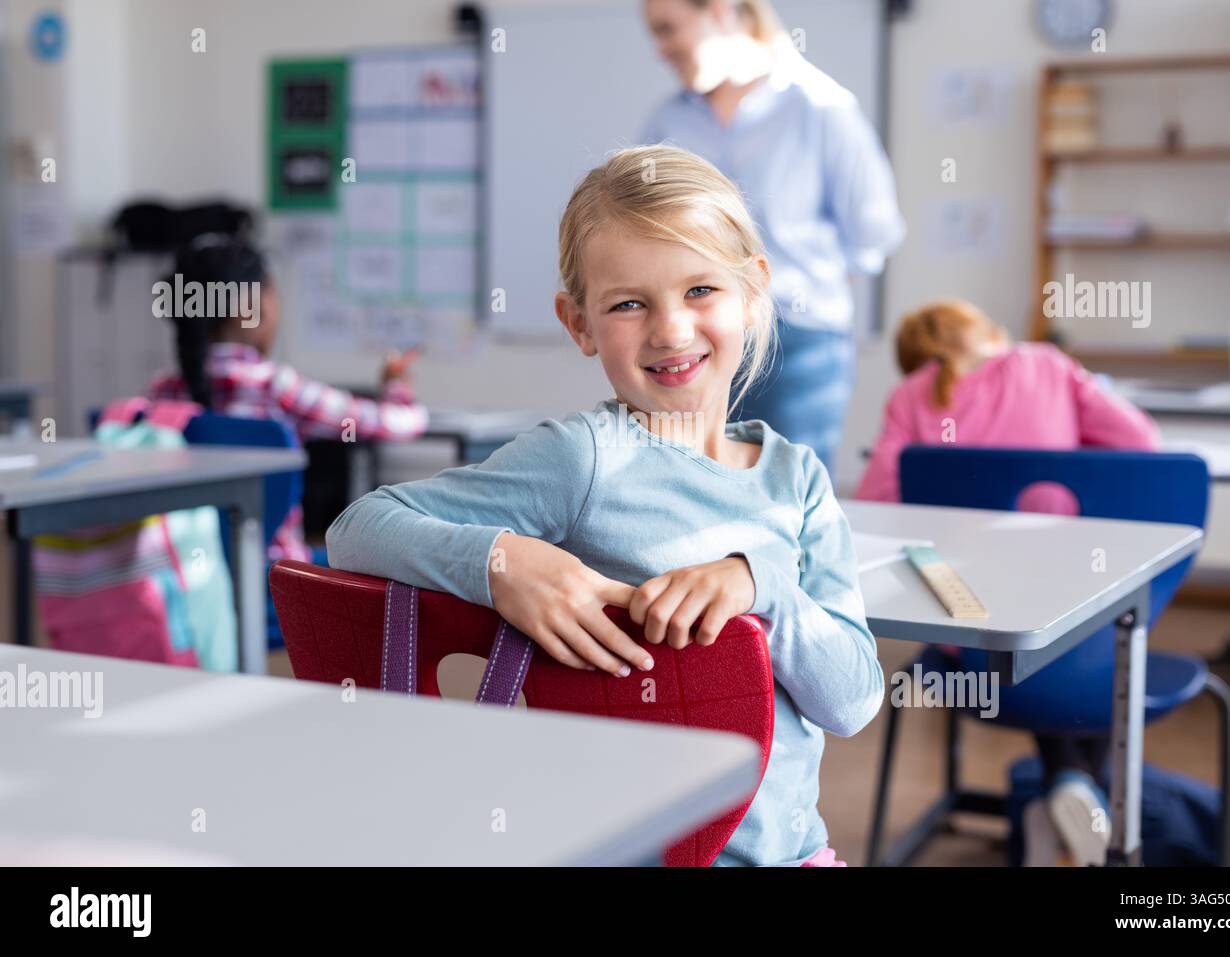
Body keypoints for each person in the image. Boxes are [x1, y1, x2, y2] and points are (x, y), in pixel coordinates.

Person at [326, 145, 884, 866]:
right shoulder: (583, 456)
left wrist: (762, 583)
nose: (671, 330)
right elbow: (354, 528)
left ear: (753, 292)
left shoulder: (800, 480)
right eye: (628, 303)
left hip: (795, 854)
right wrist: (504, 562)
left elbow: (852, 701)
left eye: (701, 291)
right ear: (579, 322)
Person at [856, 298, 1161, 866]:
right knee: (1087, 642)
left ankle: (1065, 787)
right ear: (990, 332)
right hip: (1081, 622)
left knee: (1021, 631)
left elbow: (873, 504)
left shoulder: (910, 397)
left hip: (967, 628)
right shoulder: (1048, 365)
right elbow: (1141, 442)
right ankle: (1072, 785)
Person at [641, 0, 905, 474]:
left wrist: (805, 291)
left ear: (719, 12)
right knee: (692, 486)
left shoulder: (820, 107)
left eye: (667, 30)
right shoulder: (668, 122)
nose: (660, 51)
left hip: (798, 340)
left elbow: (873, 232)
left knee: (788, 497)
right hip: (691, 334)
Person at [148, 236, 430, 563]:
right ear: (260, 308)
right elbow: (393, 424)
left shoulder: (161, 392)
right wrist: (398, 389)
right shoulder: (273, 385)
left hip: (190, 574)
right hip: (276, 573)